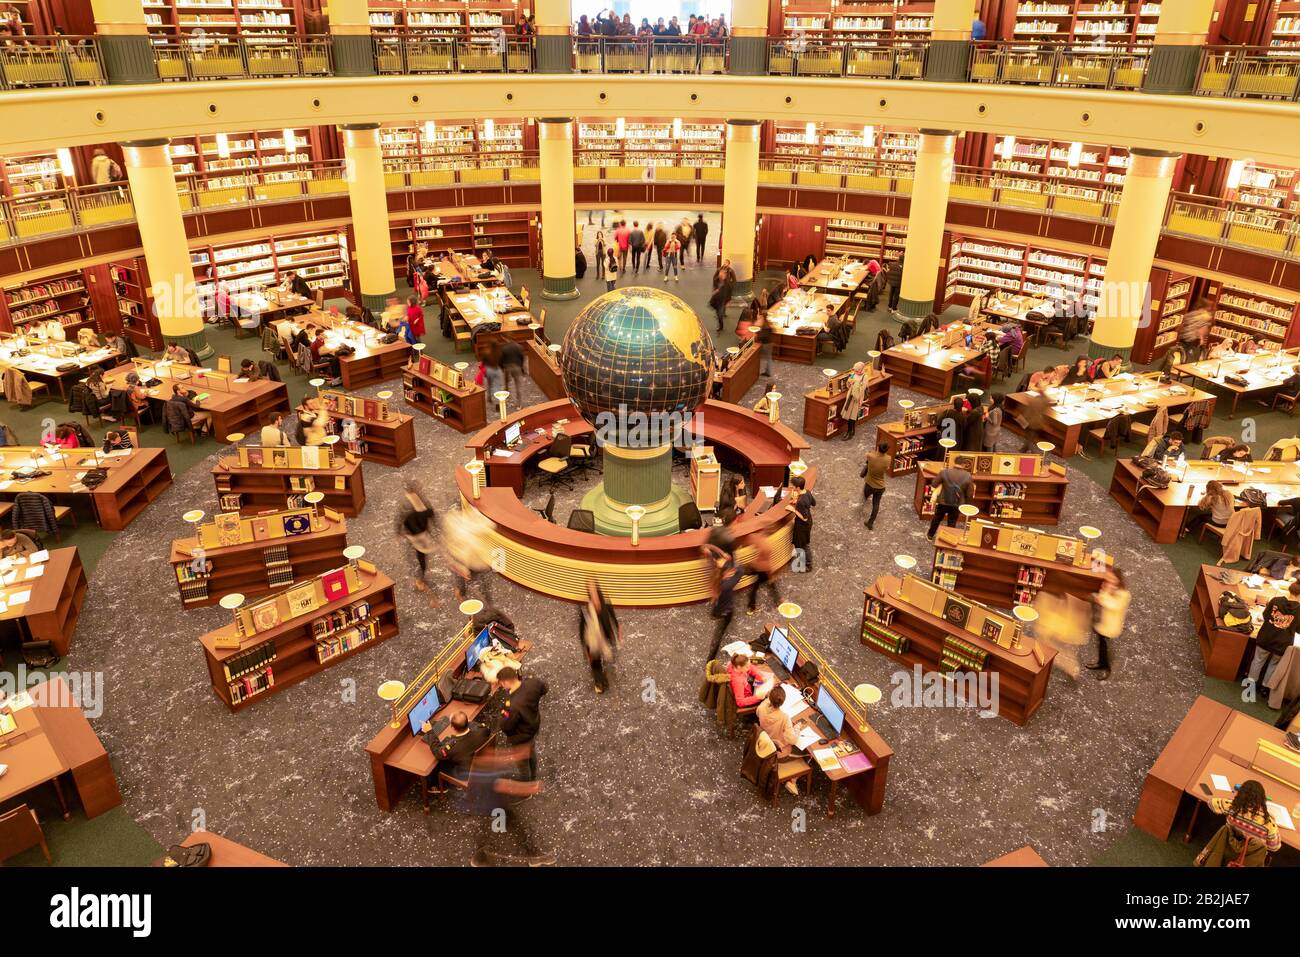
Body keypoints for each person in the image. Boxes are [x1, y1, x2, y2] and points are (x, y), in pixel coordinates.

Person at [1196, 779, 1281, 867]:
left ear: (1241, 794)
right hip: (1250, 859)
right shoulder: (1269, 823)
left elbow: (1211, 803)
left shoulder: (1233, 807)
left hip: (1226, 849)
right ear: (1262, 799)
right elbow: (1274, 847)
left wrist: (1234, 800)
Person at [1248, 580, 1300, 690]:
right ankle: (1265, 687)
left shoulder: (1276, 600)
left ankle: (1250, 684)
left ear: (1289, 590)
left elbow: (1266, 615)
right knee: (1274, 664)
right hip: (1283, 642)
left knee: (1258, 660)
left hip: (1266, 636)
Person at [498, 667, 547, 780]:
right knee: (531, 753)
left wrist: (503, 715)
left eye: (501, 683)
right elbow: (545, 689)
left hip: (520, 738)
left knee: (522, 765)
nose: (501, 686)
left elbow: (506, 726)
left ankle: (527, 788)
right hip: (533, 727)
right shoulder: (533, 683)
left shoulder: (512, 705)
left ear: (505, 681)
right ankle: (533, 775)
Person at [1086, 568, 1130, 680]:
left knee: (1106, 648)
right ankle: (1100, 663)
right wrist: (1105, 590)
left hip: (1110, 627)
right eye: (1108, 578)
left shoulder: (1124, 594)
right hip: (1101, 623)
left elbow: (1113, 605)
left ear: (1118, 580)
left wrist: (1103, 595)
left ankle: (1106, 668)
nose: (1109, 580)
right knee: (1101, 645)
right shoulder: (1108, 588)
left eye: (1111, 578)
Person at [398, 482, 439, 598]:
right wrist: (399, 532)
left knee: (421, 557)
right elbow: (400, 517)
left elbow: (431, 514)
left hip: (422, 534)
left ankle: (420, 577)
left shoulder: (421, 502)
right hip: (414, 535)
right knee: (417, 558)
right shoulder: (407, 505)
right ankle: (419, 579)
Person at [425, 712, 491, 781]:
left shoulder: (453, 747)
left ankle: (440, 786)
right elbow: (486, 730)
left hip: (466, 774)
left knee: (438, 766)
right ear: (467, 722)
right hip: (483, 762)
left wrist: (430, 732)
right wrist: (465, 721)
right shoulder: (481, 730)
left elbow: (438, 753)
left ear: (452, 727)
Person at [705, 542, 744, 659]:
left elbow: (706, 547)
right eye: (730, 571)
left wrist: (720, 556)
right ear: (725, 573)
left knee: (716, 614)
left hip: (717, 607)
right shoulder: (728, 585)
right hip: (726, 611)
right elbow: (741, 570)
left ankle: (715, 617)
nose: (732, 572)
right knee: (719, 633)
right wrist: (731, 561)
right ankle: (710, 658)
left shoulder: (716, 576)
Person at [579, 579, 619, 693]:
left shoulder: (604, 601)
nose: (594, 596)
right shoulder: (585, 607)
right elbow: (582, 627)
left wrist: (617, 626)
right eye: (591, 593)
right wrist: (585, 646)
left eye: (595, 592)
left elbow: (611, 612)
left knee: (605, 656)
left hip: (604, 637)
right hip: (592, 640)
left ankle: (602, 678)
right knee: (595, 662)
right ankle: (600, 683)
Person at [927, 458, 972, 540]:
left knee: (937, 519)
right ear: (964, 465)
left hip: (943, 501)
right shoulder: (968, 476)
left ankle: (930, 535)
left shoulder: (944, 472)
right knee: (952, 522)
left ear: (954, 463)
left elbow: (934, 484)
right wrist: (965, 504)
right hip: (957, 503)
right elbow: (969, 494)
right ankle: (949, 539)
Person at [743, 530, 781, 616]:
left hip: (759, 568)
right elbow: (766, 564)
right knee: (770, 585)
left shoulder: (757, 539)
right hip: (762, 569)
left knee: (757, 587)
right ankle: (778, 601)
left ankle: (751, 607)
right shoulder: (766, 544)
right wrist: (771, 575)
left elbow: (748, 541)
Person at [786, 474, 816, 571]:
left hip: (803, 525)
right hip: (808, 523)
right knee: (802, 544)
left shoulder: (801, 502)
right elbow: (813, 503)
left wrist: (794, 510)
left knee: (803, 545)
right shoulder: (807, 492)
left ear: (798, 487)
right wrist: (797, 500)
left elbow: (804, 518)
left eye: (793, 486)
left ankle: (808, 565)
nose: (792, 487)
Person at [861, 441, 893, 531]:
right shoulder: (888, 458)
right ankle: (870, 523)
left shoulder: (871, 456)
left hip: (869, 483)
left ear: (878, 448)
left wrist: (874, 452)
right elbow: (887, 468)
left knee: (865, 495)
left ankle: (862, 506)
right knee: (876, 504)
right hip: (880, 487)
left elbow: (866, 454)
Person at [839, 362, 869, 440]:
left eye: (857, 370)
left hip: (857, 398)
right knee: (849, 415)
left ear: (861, 369)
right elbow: (848, 386)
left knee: (852, 415)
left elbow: (862, 389)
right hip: (850, 397)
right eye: (855, 370)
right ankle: (850, 431)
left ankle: (850, 432)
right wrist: (849, 382)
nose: (855, 372)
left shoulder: (865, 377)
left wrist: (855, 383)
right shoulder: (853, 374)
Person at [500, 337, 525, 404]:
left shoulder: (504, 348)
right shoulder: (519, 347)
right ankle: (519, 403)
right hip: (516, 367)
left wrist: (502, 367)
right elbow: (522, 358)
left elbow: (501, 359)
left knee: (506, 382)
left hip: (507, 367)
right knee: (517, 385)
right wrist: (522, 369)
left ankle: (506, 396)